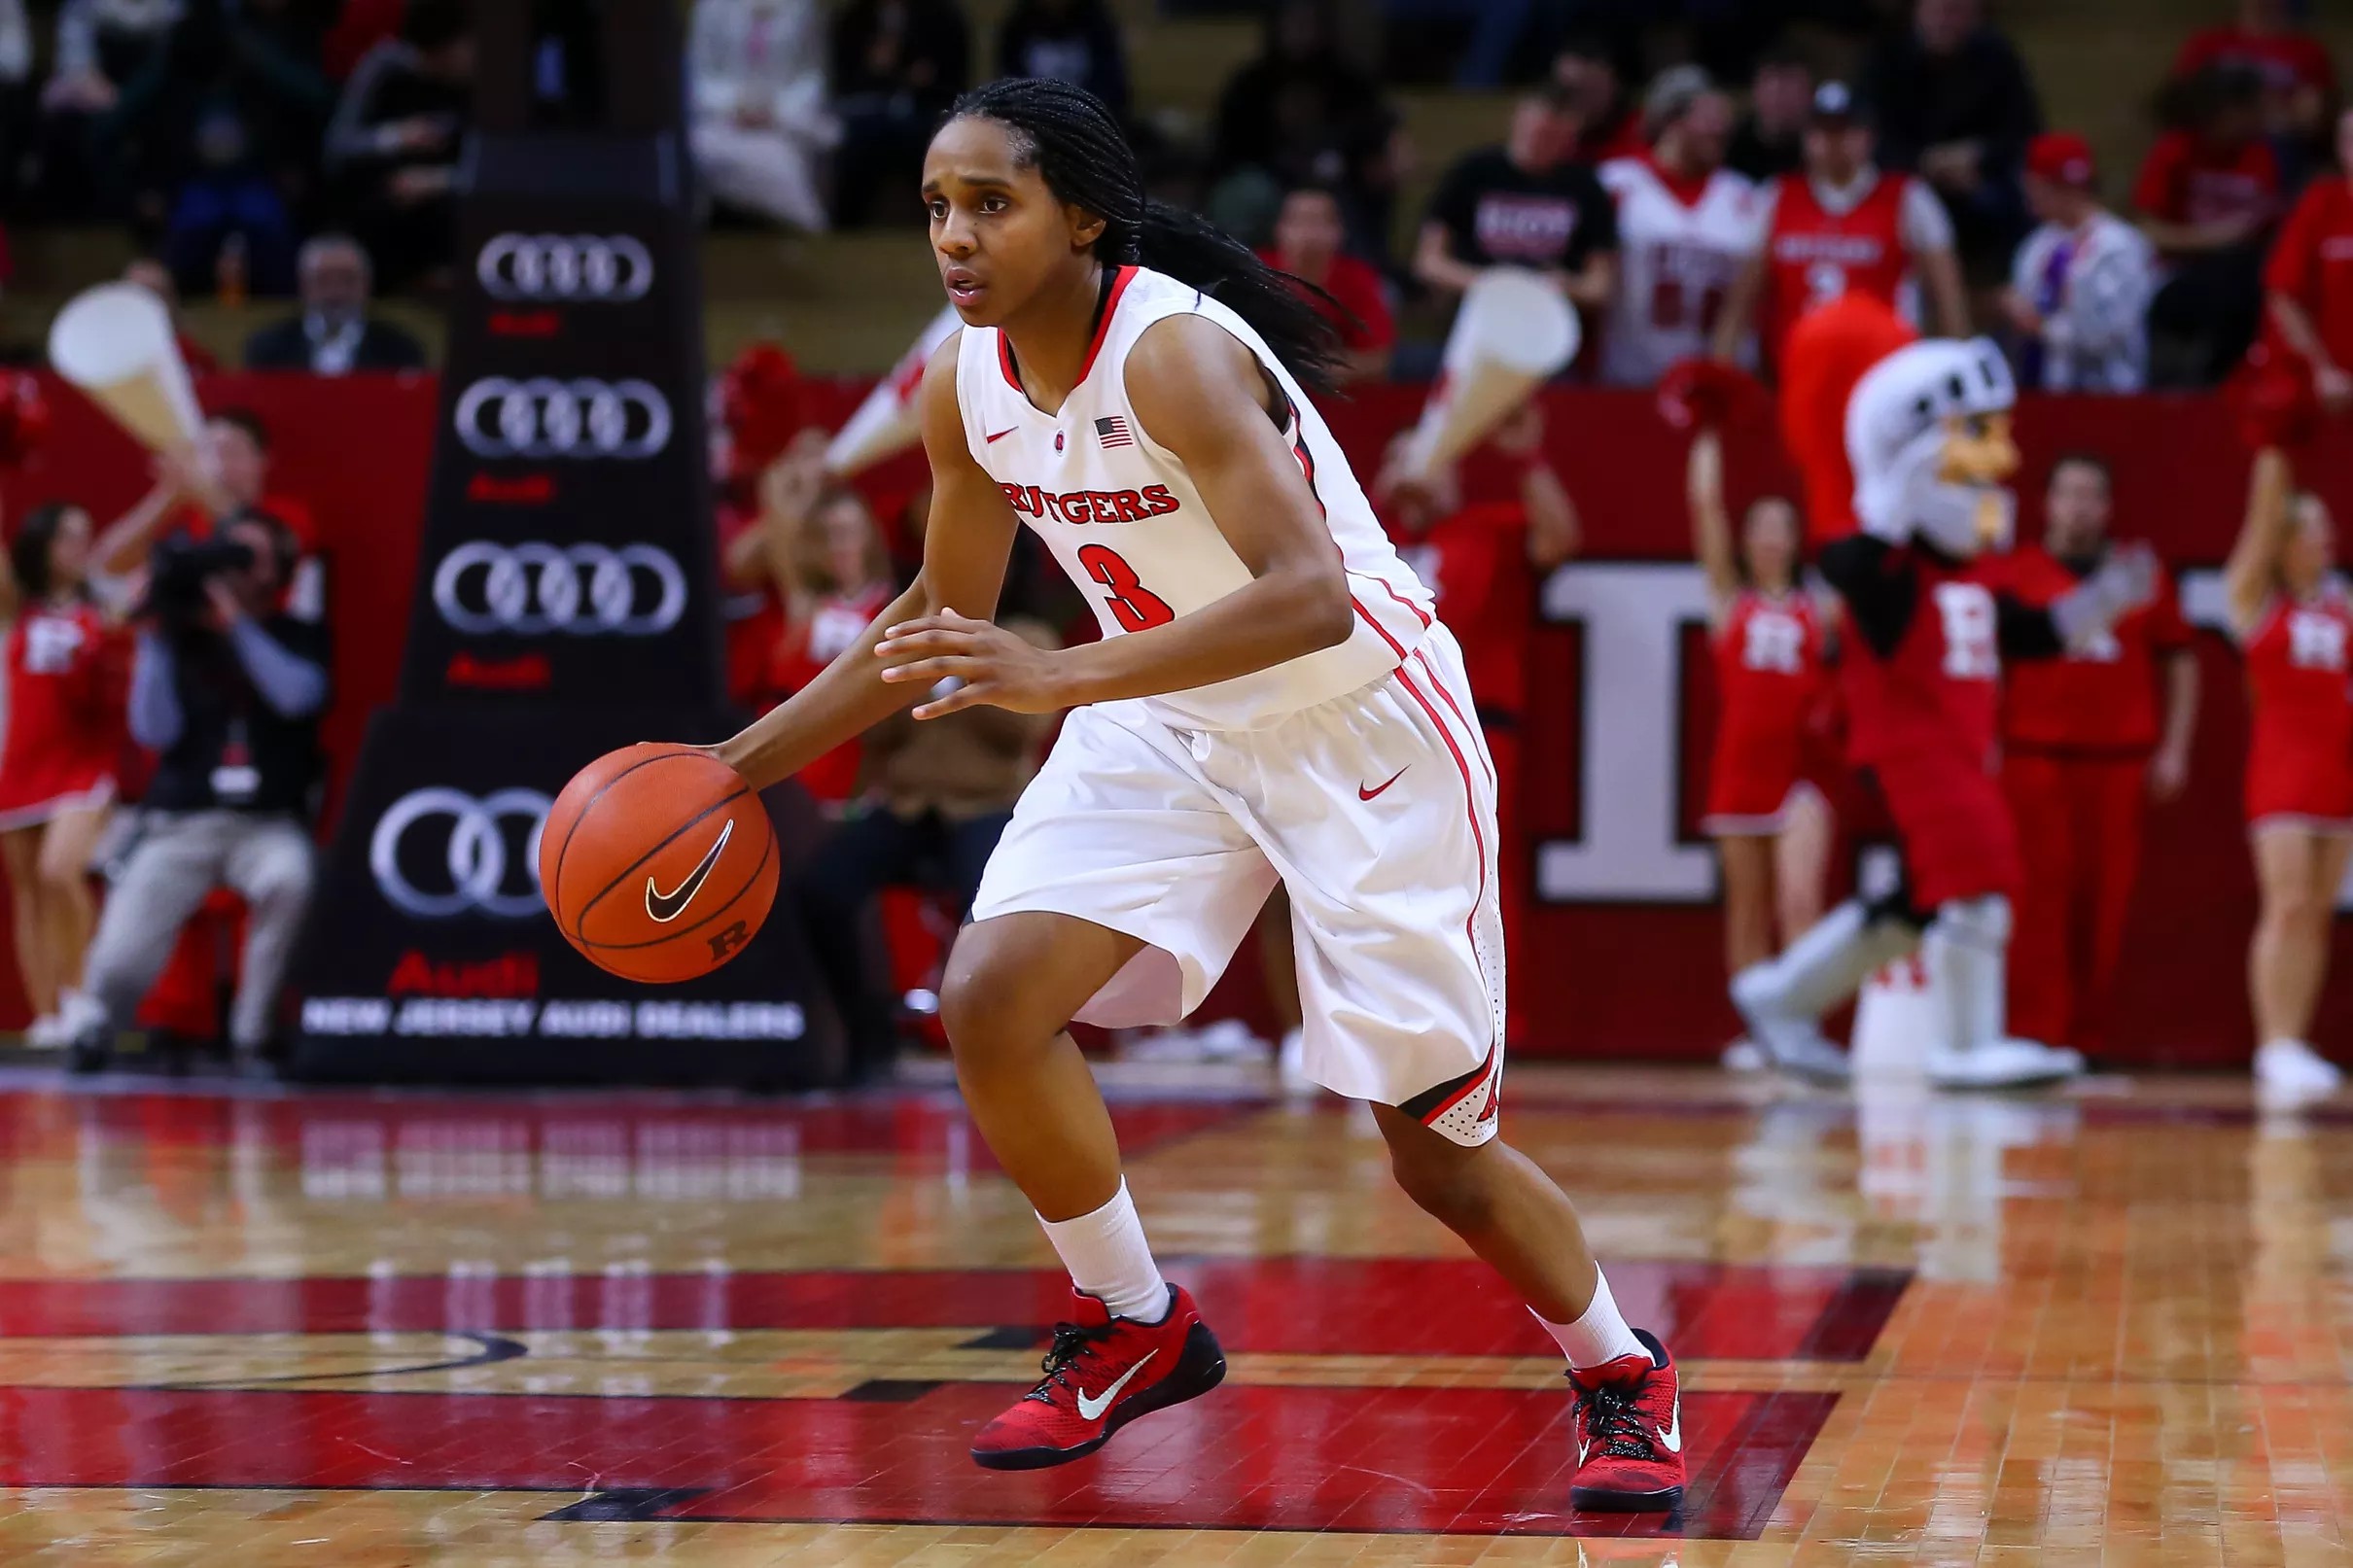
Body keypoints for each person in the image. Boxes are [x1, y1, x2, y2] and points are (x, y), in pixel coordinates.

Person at [699, 77, 1686, 1504]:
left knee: (1434, 1153)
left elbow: (1311, 603)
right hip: (1163, 714)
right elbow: (931, 613)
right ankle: (1133, 1320)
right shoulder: (963, 384)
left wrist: (1056, 680)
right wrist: (730, 770)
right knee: (990, 995)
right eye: (935, 209)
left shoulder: (1171, 356)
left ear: (1083, 216)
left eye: (991, 203)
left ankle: (1619, 1368)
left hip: (1355, 721)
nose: (955, 238)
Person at [1729, 314, 2157, 1089]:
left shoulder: (1970, 576)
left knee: (1924, 906)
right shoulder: (1880, 562)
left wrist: (2103, 600)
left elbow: (2033, 633)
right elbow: (1847, 564)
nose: (1988, 489)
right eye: (1967, 473)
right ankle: (1965, 1046)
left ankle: (1781, 997)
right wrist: (1890, 492)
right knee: (1980, 883)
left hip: (1959, 752)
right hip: (1910, 749)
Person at [57, 512, 325, 1073]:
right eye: (228, 554)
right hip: (181, 824)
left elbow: (298, 697)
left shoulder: (297, 632)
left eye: (250, 557)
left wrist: (237, 629)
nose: (234, 568)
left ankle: (252, 1035)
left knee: (291, 879)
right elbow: (153, 731)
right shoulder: (178, 640)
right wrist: (155, 639)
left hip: (265, 823)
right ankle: (100, 1027)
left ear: (276, 570)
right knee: (120, 960)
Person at [1986, 454, 2197, 1063]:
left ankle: (2087, 1041)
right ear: (2047, 504)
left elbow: (2180, 657)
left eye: (2091, 495)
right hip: (2035, 755)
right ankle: (2035, 1037)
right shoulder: (2015, 574)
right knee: (2036, 902)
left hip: (2117, 760)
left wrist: (2174, 747)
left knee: (2103, 907)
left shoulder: (2140, 575)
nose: (2079, 507)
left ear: (2108, 507)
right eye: (2068, 493)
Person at [792, 608, 1062, 1085]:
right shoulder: (912, 632)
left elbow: (1024, 730)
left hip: (987, 804)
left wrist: (958, 674)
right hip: (908, 805)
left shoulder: (1029, 633)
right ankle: (867, 1034)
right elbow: (874, 732)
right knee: (822, 887)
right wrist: (904, 681)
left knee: (988, 911)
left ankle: (995, 1053)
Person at [2219, 441, 2353, 1099]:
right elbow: (2260, 514)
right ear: (2285, 539)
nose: (2325, 540)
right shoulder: (2255, 598)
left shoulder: (2343, 607)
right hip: (2282, 773)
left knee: (2319, 912)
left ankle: (2295, 1040)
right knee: (2288, 903)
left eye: (2330, 529)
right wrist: (2274, 446)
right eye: (2312, 529)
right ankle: (2272, 1042)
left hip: (2339, 771)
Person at [1685, 418, 1833, 988]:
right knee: (1746, 911)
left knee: (1800, 900)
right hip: (1740, 773)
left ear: (1797, 541)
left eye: (1783, 527)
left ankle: (1802, 1024)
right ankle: (1759, 1027)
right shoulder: (1731, 605)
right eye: (1761, 526)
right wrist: (1709, 428)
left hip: (1799, 773)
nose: (1772, 537)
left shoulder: (1818, 609)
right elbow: (1705, 510)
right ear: (1746, 540)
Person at [1712, 82, 1968, 373]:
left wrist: (1956, 368)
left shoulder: (1910, 199)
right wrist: (1722, 378)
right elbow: (1740, 303)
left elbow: (1948, 299)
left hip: (1882, 376)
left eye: (1846, 129)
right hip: (1795, 376)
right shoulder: (1775, 197)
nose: (1834, 141)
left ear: (1869, 137)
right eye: (1823, 130)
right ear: (1806, 138)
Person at [0, 504, 127, 1049]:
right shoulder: (16, 609)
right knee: (27, 893)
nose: (78, 548)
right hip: (21, 760)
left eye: (85, 536)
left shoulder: (105, 608)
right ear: (41, 545)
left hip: (84, 761)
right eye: (66, 538)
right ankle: (46, 1015)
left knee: (59, 871)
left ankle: (82, 996)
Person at [1856, 0, 2041, 283]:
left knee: (2019, 199)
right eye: (1938, 10)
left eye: (1957, 11)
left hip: (1977, 178)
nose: (1946, 20)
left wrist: (1978, 156)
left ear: (1976, 16)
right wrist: (1925, 162)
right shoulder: (1887, 55)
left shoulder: (1997, 55)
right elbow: (1869, 136)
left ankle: (2010, 290)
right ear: (1918, 11)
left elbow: (2024, 131)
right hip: (1905, 177)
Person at [1598, 67, 1761, 386]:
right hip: (1628, 377)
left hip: (1713, 378)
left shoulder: (1745, 196)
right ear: (1672, 120)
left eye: (1724, 119)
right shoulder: (1615, 183)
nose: (1721, 127)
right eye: (1709, 117)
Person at [762, 454, 899, 807]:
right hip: (805, 778)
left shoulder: (895, 606)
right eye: (828, 536)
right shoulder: (808, 606)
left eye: (847, 532)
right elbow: (781, 525)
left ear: (869, 536)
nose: (839, 546)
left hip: (875, 783)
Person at [2136, 62, 2283, 387]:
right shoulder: (2175, 150)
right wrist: (2215, 238)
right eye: (2255, 109)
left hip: (2245, 277)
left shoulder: (2264, 153)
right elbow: (2148, 230)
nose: (2263, 118)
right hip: (2178, 275)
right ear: (2228, 111)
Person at [1417, 84, 1618, 317]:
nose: (1539, 142)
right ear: (1518, 120)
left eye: (1553, 135)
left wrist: (1568, 287)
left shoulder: (1585, 187)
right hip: (1476, 312)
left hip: (1548, 317)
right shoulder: (1473, 172)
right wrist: (1490, 284)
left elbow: (1600, 285)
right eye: (1536, 130)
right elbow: (1428, 261)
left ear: (1571, 136)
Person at [324, 0, 473, 291]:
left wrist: (439, 181)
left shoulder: (493, 83)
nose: (434, 67)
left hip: (452, 196)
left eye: (446, 57)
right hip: (388, 196)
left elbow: (502, 172)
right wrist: (396, 137)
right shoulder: (385, 67)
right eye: (428, 57)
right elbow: (336, 146)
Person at [2000, 133, 2158, 393]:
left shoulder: (2120, 245)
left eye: (2035, 186)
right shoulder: (2036, 246)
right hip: (2042, 387)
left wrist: (2041, 327)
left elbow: (2109, 333)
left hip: (2107, 394)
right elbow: (2024, 310)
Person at [688, 0, 838, 233]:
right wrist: (734, 104)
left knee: (787, 164)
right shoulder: (711, 7)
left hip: (781, 121)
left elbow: (811, 78)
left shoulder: (803, 8)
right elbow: (699, 77)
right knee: (696, 151)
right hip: (722, 119)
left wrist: (773, 112)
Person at [829, 0, 969, 227]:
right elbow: (844, 87)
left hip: (927, 109)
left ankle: (941, 222)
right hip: (867, 113)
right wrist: (879, 72)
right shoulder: (855, 19)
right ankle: (844, 229)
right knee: (863, 137)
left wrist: (920, 80)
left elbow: (955, 85)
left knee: (927, 139)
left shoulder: (943, 17)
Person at [2172, 0, 2337, 167]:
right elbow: (2180, 105)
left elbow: (2322, 116)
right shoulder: (2206, 45)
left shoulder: (2309, 52)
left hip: (2282, 149)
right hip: (2214, 145)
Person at [2264, 107, 2353, 417]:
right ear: (2341, 149)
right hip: (2325, 388)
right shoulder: (2320, 204)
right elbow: (2284, 295)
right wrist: (2322, 370)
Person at [1258, 182, 1392, 384]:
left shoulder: (1359, 278)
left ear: (1339, 232)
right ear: (1279, 229)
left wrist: (1306, 370)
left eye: (1319, 222)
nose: (1309, 233)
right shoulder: (1256, 273)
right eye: (1299, 222)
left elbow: (1378, 359)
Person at [242, 233, 425, 374]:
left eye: (348, 280)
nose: (336, 291)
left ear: (367, 285)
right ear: (304, 285)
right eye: (324, 280)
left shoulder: (399, 349)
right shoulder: (268, 348)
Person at [996, 0, 1127, 119]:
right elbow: (1009, 85)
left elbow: (1111, 85)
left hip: (1087, 121)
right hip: (1032, 120)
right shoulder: (1017, 30)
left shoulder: (1098, 28)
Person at [1726, 46, 1810, 184]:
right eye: (1772, 90)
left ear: (1808, 95)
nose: (1780, 98)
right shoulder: (1730, 150)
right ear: (1755, 92)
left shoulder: (1822, 152)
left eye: (1789, 89)